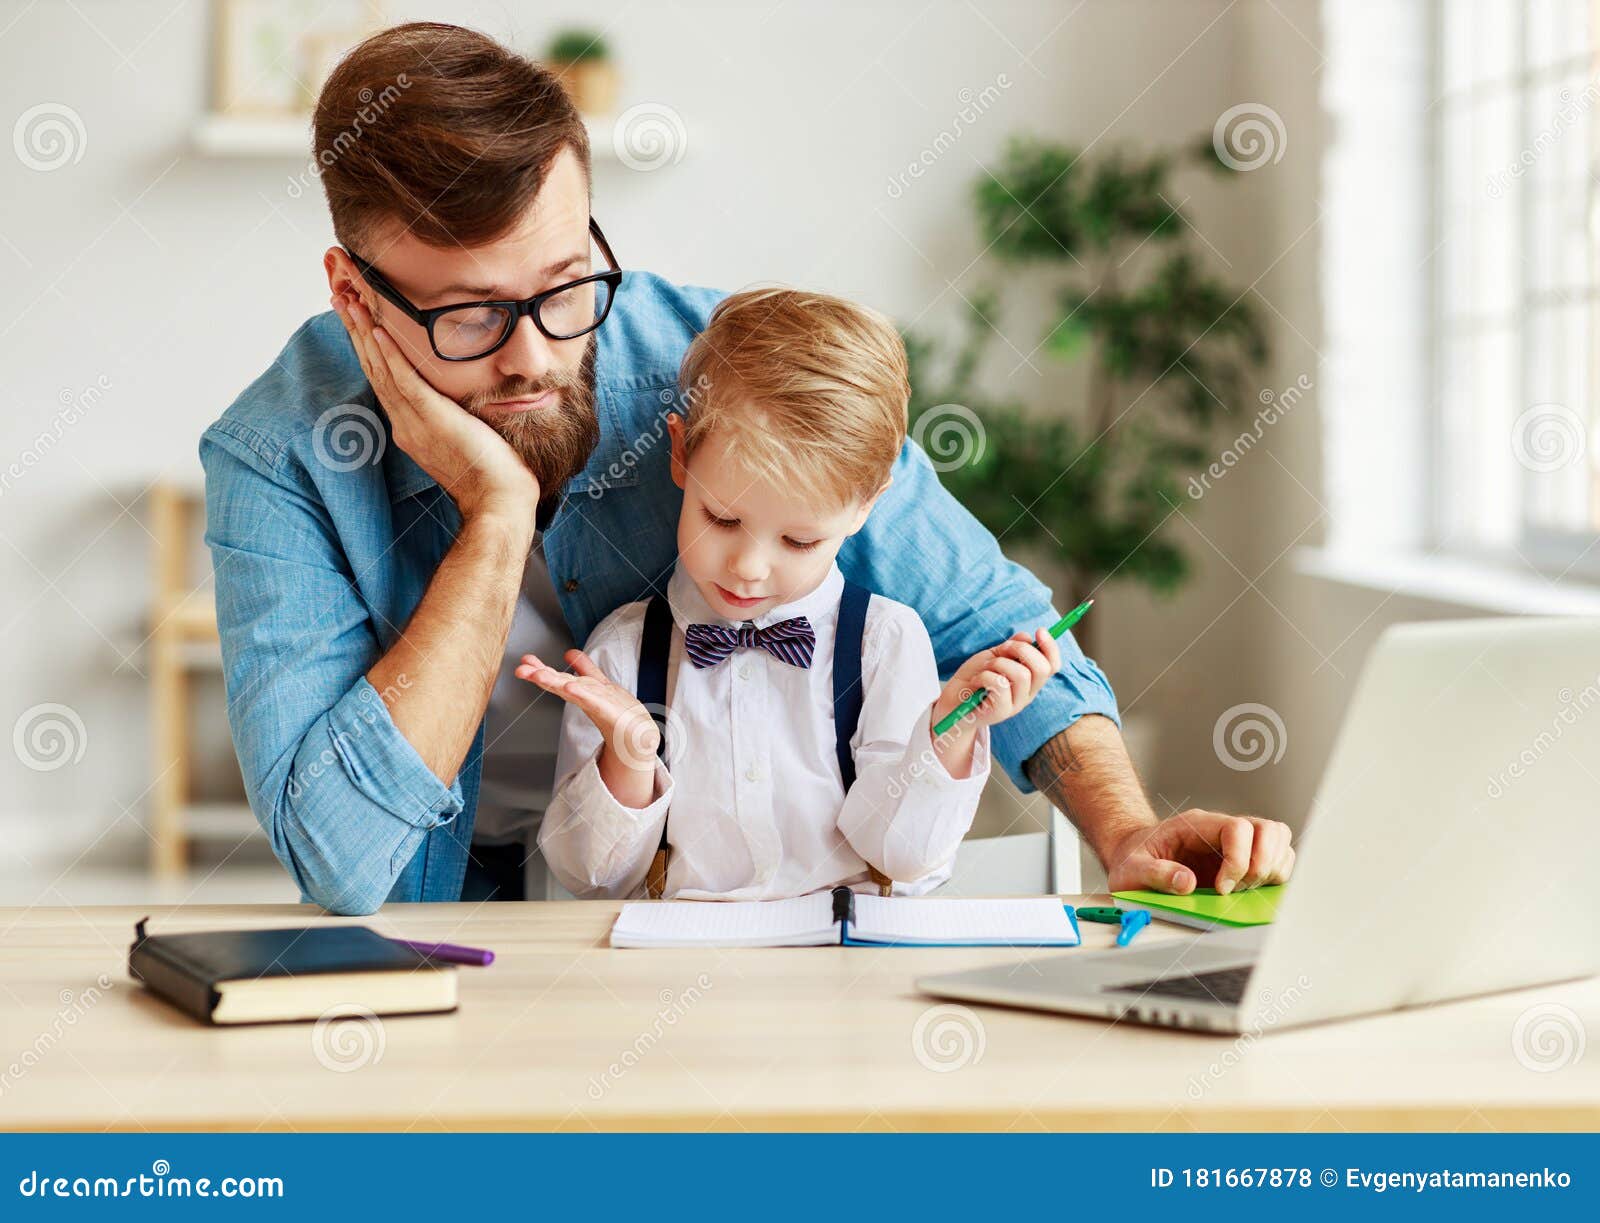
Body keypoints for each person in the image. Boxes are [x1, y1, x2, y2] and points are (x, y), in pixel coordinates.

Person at [199, 21, 1296, 916]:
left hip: (685, 916)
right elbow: (340, 861)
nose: (533, 353)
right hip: (440, 913)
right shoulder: (278, 453)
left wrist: (1124, 826)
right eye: (470, 315)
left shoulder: (725, 375)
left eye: (566, 282)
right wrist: (495, 512)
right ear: (356, 297)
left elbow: (994, 620)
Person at [521, 289, 1062, 900]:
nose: (749, 568)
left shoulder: (884, 642)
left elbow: (904, 857)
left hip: (848, 969)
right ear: (680, 454)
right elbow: (589, 877)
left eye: (800, 541)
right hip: (677, 976)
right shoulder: (623, 649)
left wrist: (948, 732)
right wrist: (629, 757)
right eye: (722, 519)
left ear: (867, 506)